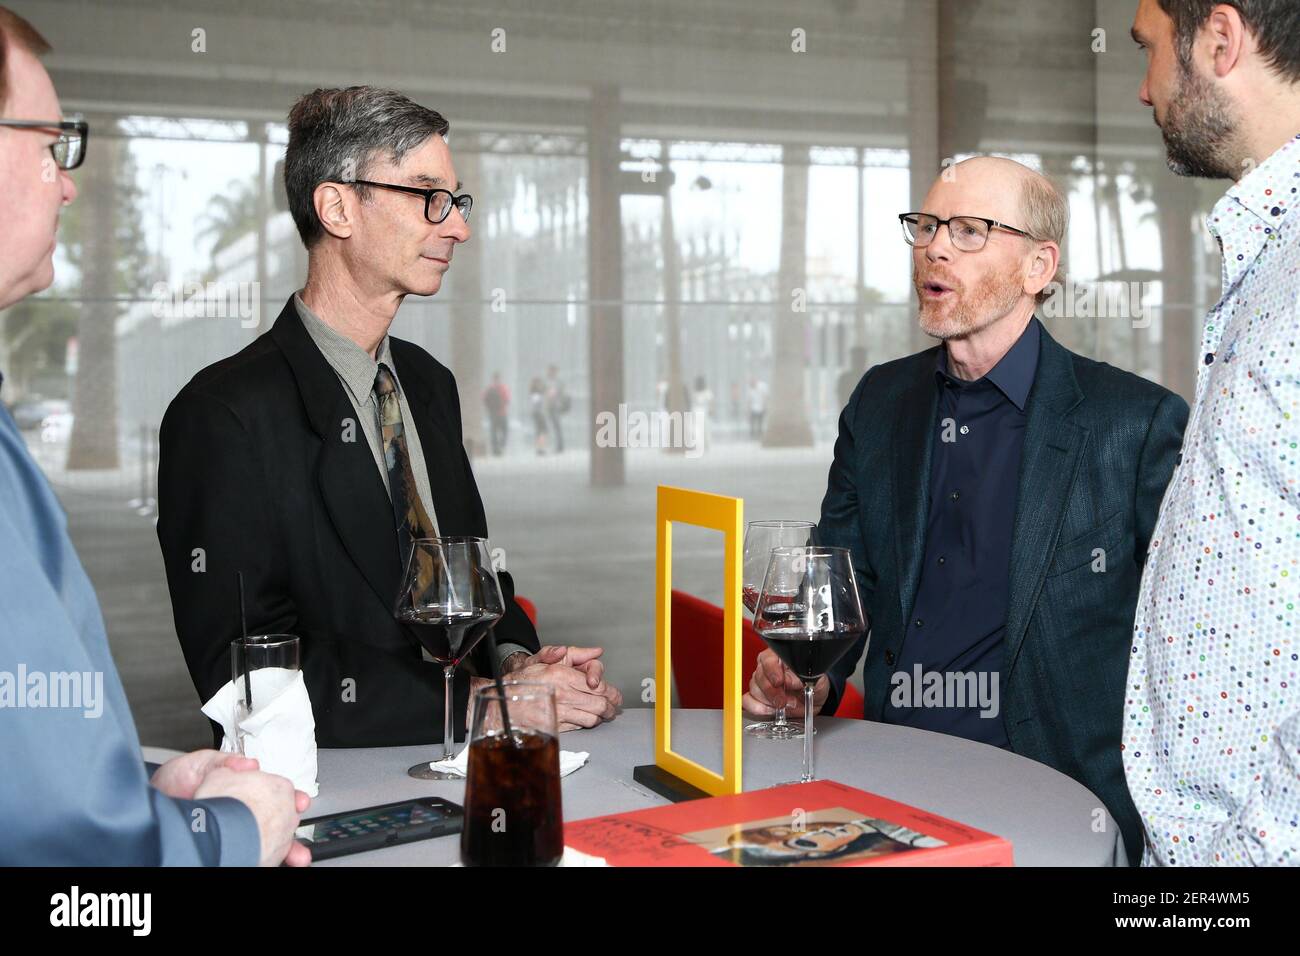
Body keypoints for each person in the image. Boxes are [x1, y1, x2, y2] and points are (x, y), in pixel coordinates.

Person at [743, 156, 1189, 864]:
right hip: (890, 779)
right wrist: (813, 676)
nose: (935, 246)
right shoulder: (879, 404)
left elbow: (1187, 648)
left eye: (970, 230)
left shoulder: (1134, 425)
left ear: (1039, 266)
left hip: (1058, 798)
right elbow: (843, 584)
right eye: (925, 226)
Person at [157, 87, 622, 749]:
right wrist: (484, 705)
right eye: (427, 195)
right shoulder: (223, 416)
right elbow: (245, 679)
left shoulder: (427, 385)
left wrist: (520, 662)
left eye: (457, 200)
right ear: (338, 206)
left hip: (469, 770)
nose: (457, 225)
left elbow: (471, 581)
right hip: (329, 797)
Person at [0, 6, 308, 866]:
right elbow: (72, 874)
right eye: (48, 143)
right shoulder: (220, 411)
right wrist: (228, 835)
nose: (67, 182)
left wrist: (130, 794)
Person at [1125, 0, 1300, 865]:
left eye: (1151, 51)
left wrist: (1257, 853)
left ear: (1220, 40)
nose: (1144, 89)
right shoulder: (1269, 253)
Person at [483, 370, 509, 456]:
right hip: (502, 412)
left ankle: (495, 449)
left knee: (494, 431)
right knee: (504, 430)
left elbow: (484, 399)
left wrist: (490, 408)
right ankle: (501, 446)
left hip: (493, 413)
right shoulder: (503, 388)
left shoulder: (489, 388)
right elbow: (507, 399)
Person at [544, 363, 569, 454]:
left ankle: (560, 446)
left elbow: (560, 393)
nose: (550, 372)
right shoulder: (548, 381)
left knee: (557, 426)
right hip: (549, 406)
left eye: (552, 371)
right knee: (554, 426)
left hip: (555, 407)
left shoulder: (558, 382)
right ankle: (555, 445)